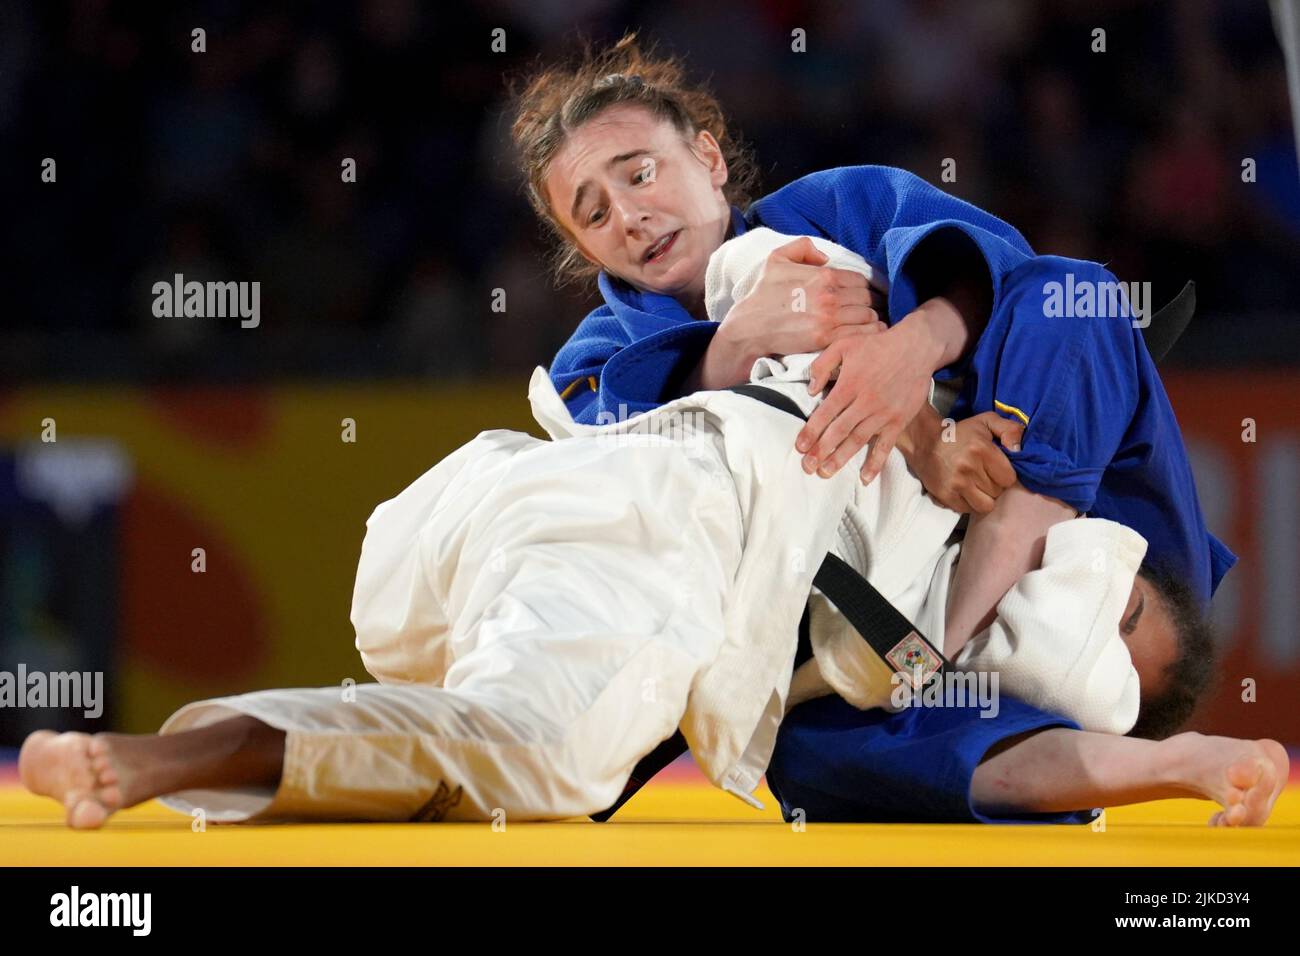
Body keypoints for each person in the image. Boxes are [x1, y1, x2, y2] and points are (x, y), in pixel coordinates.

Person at [17, 347, 1288, 830]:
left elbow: (1019, 765)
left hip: (456, 542)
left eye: (1111, 654)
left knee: (479, 783)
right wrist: (909, 360)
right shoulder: (977, 420)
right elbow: (1023, 288)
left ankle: (229, 761)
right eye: (1120, 600)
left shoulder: (911, 673)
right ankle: (162, 760)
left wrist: (1186, 763)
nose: (1076, 617)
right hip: (653, 518)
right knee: (545, 759)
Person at [509, 32, 1247, 821]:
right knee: (800, 750)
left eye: (641, 173)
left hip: (1067, 516)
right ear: (582, 248)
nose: (629, 215)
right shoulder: (589, 363)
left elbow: (1006, 277)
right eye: (593, 214)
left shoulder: (839, 204)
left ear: (709, 158)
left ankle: (992, 575)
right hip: (882, 633)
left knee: (1077, 297)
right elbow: (628, 492)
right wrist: (737, 345)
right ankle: (1150, 764)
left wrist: (910, 354)